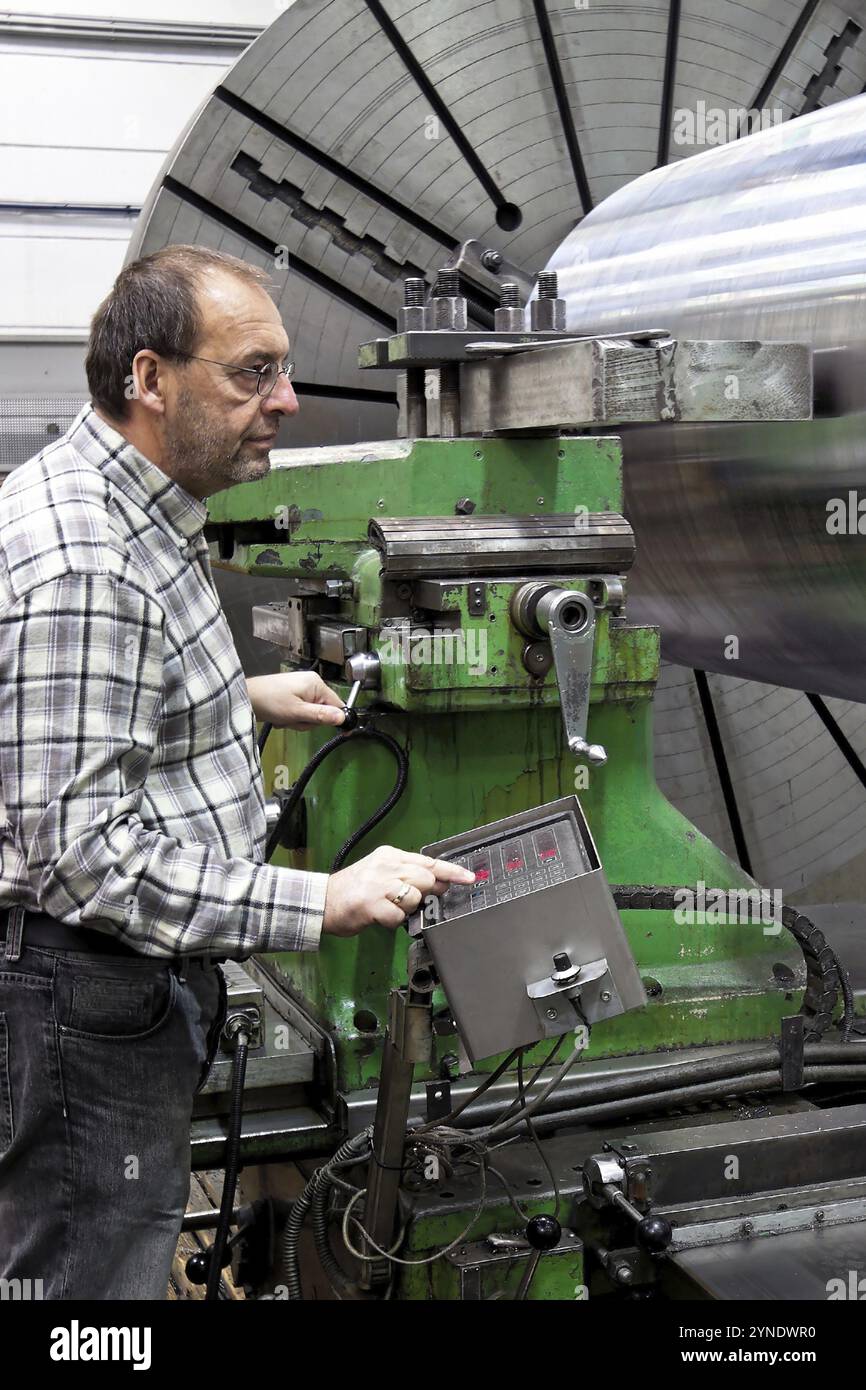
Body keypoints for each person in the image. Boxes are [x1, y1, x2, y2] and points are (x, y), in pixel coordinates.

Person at [0, 245, 473, 1299]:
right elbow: (81, 859)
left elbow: (80, 708)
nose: (288, 401)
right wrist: (321, 898)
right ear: (149, 380)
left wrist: (231, 701)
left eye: (284, 370)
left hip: (112, 983)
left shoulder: (129, 504)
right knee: (89, 1284)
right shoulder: (90, 556)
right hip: (92, 989)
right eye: (251, 371)